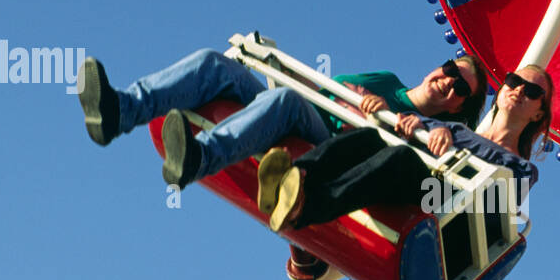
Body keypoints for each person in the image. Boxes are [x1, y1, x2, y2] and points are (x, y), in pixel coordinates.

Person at [76, 48, 487, 187]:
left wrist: (386, 119)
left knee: (285, 102)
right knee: (213, 64)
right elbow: (328, 90)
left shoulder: (430, 125)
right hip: (311, 109)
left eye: (460, 89)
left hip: (325, 145)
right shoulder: (386, 78)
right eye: (450, 70)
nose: (448, 82)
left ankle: (198, 159)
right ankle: (119, 111)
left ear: (459, 107)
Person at [264, 66, 554, 234]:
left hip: (447, 206)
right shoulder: (457, 131)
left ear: (537, 114)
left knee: (400, 158)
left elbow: (496, 212)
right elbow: (412, 123)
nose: (518, 90)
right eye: (514, 82)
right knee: (372, 137)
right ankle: (296, 174)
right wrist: (432, 127)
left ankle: (306, 209)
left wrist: (457, 157)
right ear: (503, 88)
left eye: (532, 92)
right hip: (419, 181)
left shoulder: (523, 168)